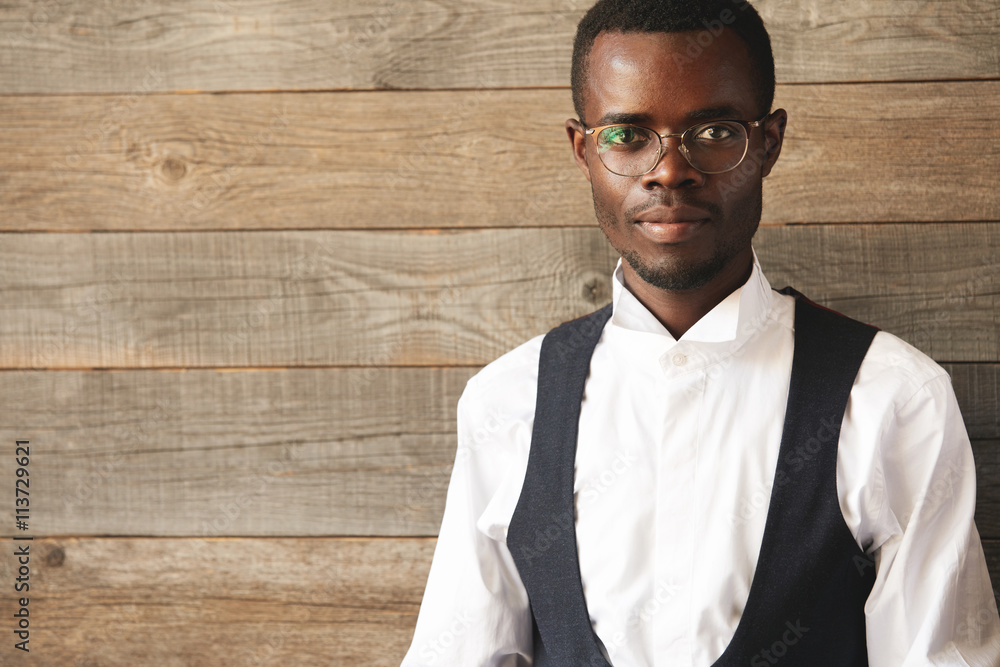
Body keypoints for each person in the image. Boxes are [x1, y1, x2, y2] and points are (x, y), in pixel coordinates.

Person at [401, 0, 1000, 665]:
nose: (669, 170)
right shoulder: (508, 404)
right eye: (627, 135)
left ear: (768, 142)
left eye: (714, 132)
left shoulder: (893, 398)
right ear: (583, 149)